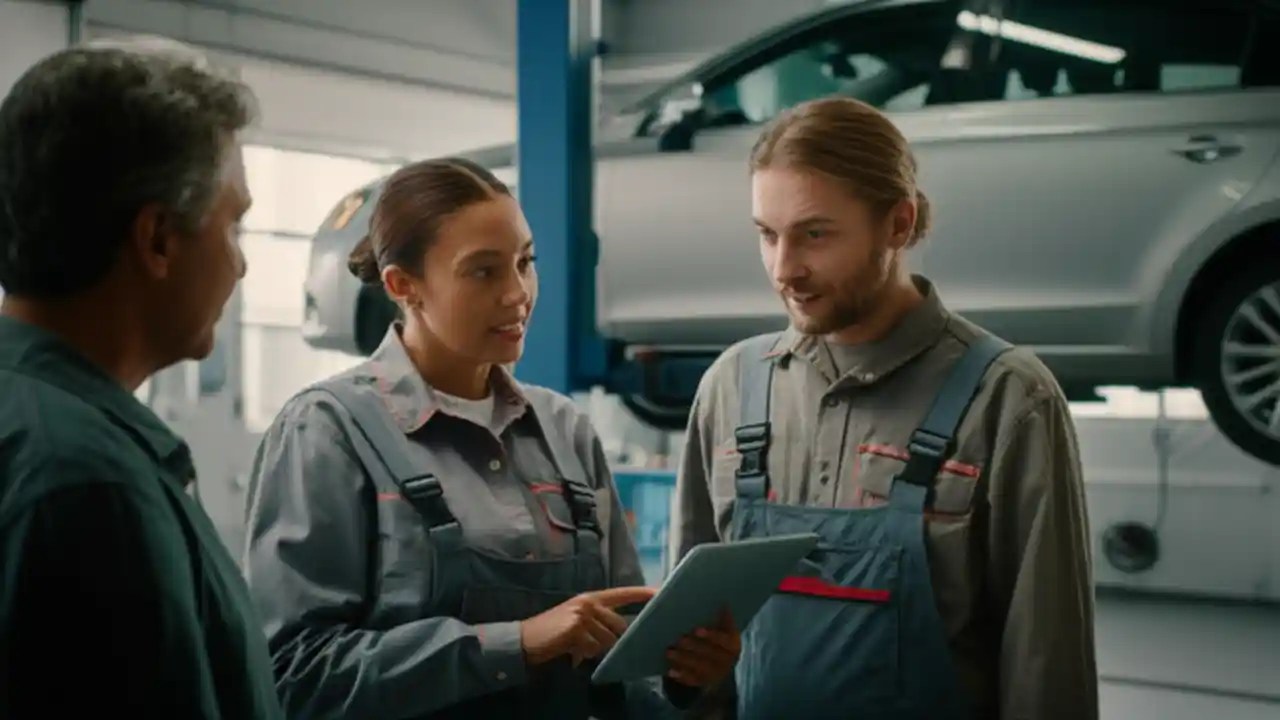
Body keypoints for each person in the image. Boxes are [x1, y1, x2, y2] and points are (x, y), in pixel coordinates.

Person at [241, 157, 740, 719]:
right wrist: (519, 643)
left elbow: (621, 660)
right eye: (483, 271)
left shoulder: (564, 430)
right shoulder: (329, 431)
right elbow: (292, 674)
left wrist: (684, 676)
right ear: (403, 286)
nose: (517, 295)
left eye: (525, 263)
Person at [671, 97, 1098, 720]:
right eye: (767, 235)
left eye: (815, 233)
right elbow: (686, 650)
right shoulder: (732, 387)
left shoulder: (1008, 399)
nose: (785, 268)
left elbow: (1047, 668)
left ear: (898, 225)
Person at [0, 41, 282, 719]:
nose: (241, 267)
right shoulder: (89, 487)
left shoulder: (31, 425)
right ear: (158, 238)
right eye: (233, 222)